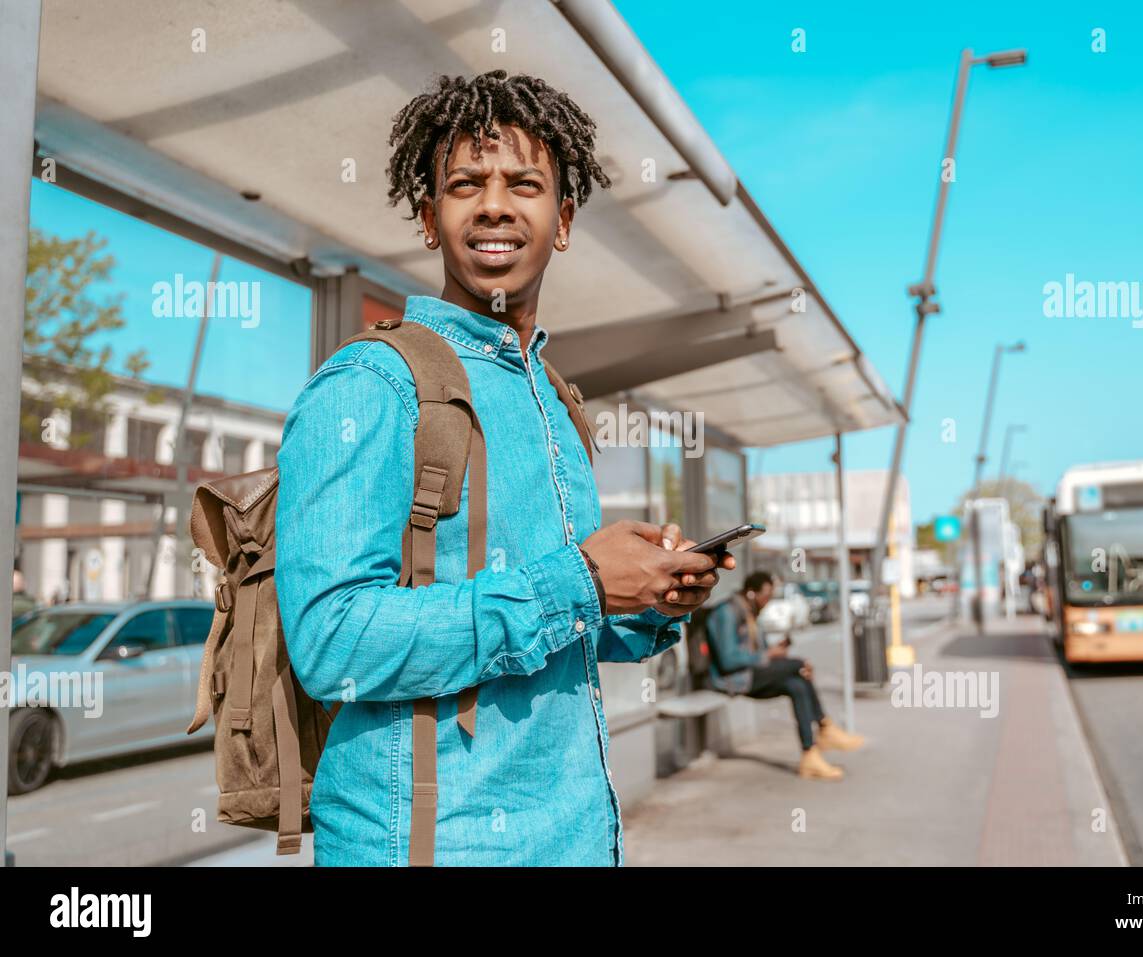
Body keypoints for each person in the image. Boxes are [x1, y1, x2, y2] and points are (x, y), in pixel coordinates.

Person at [275, 70, 734, 866]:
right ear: (429, 219)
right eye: (465, 184)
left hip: (579, 841)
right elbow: (331, 643)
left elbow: (568, 632)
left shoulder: (556, 401)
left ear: (562, 221)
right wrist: (580, 581)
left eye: (525, 183)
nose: (494, 204)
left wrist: (651, 598)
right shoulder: (368, 386)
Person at [705, 571, 864, 781]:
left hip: (750, 675)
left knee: (796, 685)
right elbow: (728, 660)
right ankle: (825, 727)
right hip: (732, 679)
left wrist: (774, 652)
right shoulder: (727, 612)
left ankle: (810, 755)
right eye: (767, 595)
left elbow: (757, 654)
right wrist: (770, 655)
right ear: (752, 593)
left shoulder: (749, 612)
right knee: (798, 666)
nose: (768, 601)